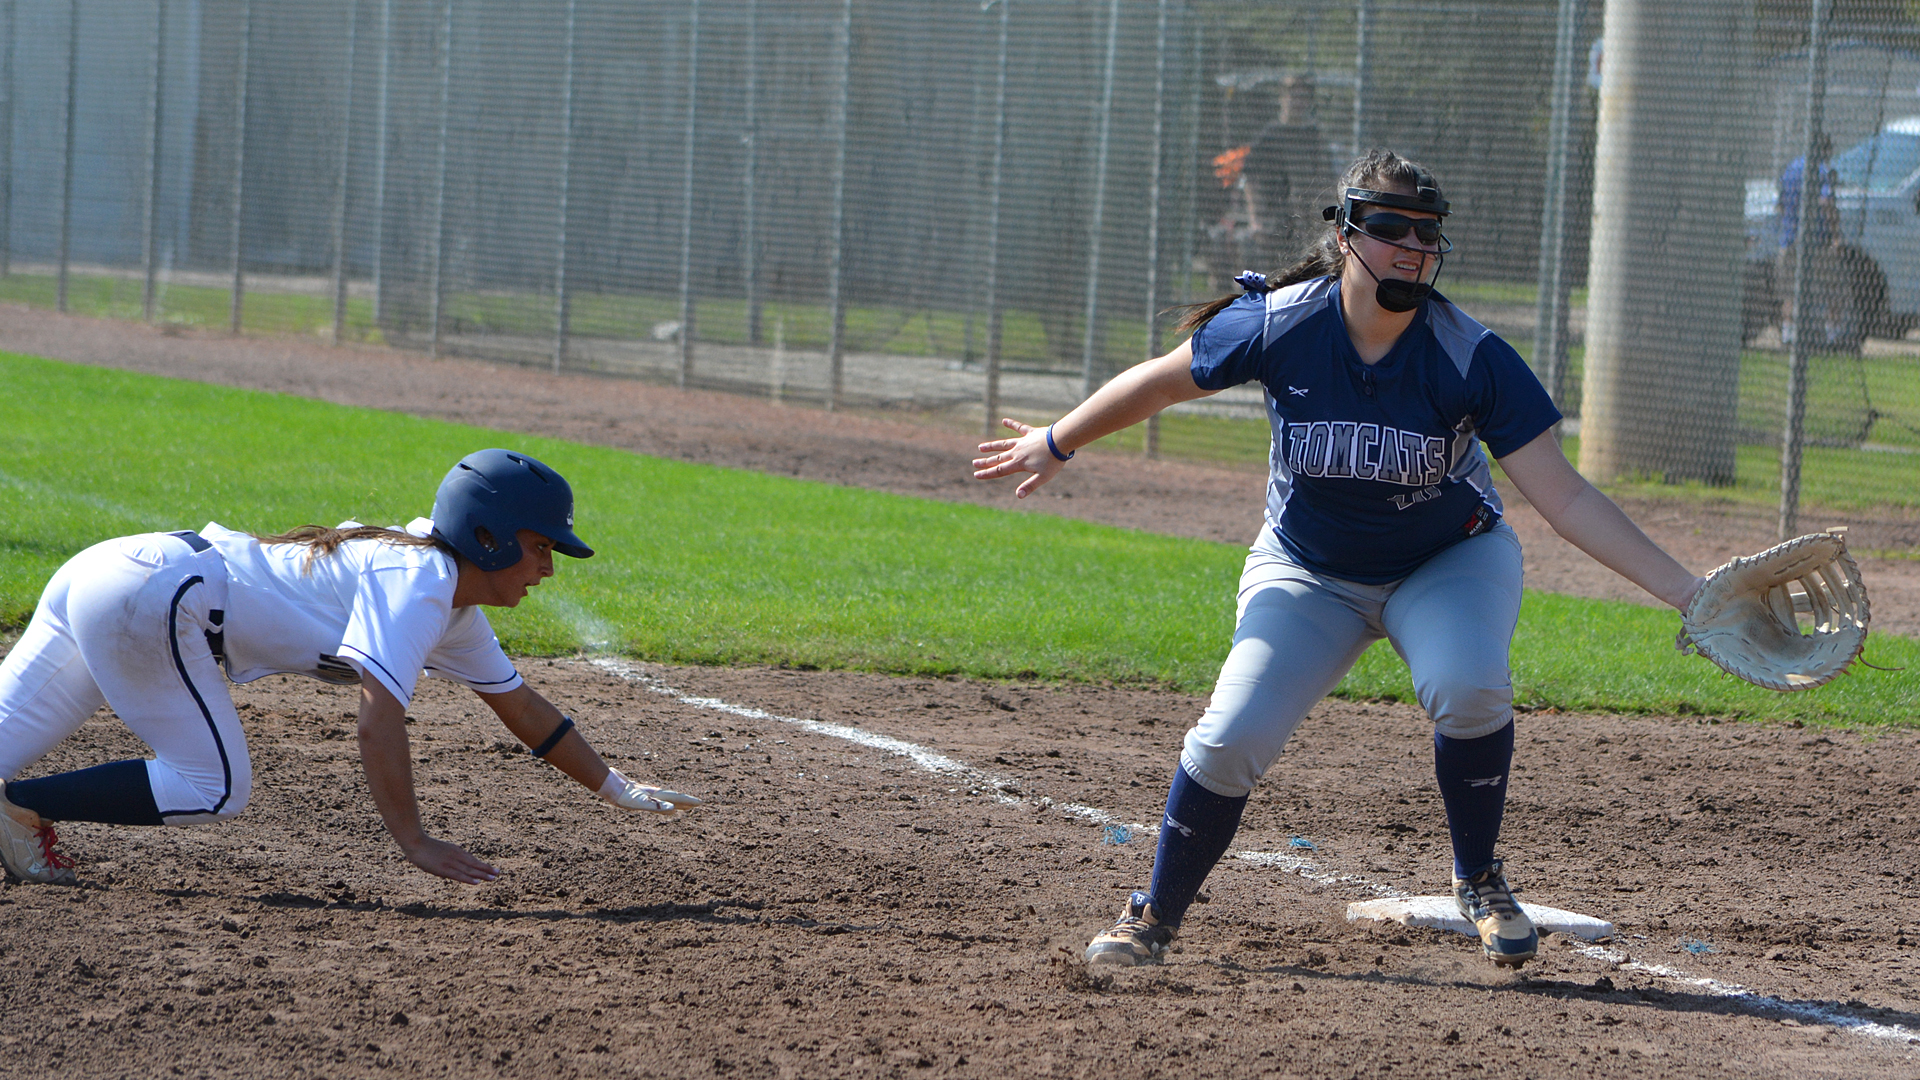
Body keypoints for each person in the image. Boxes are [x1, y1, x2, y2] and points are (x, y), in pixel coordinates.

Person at [973, 150, 1703, 970]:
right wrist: (1056, 441)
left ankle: (1480, 878)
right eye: (1391, 228)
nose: (1412, 247)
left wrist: (1688, 593)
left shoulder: (1470, 353)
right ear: (1346, 235)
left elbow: (1563, 497)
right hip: (1307, 568)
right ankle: (1153, 915)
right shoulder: (1282, 322)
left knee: (1470, 688)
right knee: (1228, 738)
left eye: (1427, 233)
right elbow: (1161, 382)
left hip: (1447, 560)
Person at [0, 449, 701, 887]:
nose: (548, 567)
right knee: (213, 787)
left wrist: (615, 786)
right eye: (540, 547)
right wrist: (413, 840)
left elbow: (522, 708)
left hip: (118, 573)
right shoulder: (420, 585)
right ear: (486, 538)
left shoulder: (447, 599)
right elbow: (377, 723)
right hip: (155, 600)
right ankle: (22, 808)